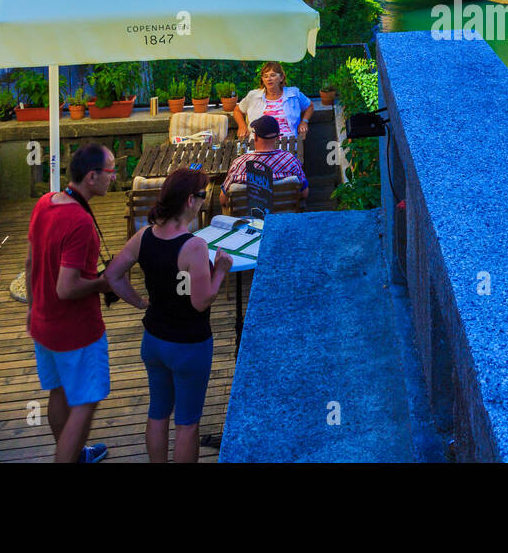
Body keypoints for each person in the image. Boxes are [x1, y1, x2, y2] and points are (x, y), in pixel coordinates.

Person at [105, 168, 231, 463]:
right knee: (187, 423)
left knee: (158, 413)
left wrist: (139, 302)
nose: (205, 200)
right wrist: (220, 271)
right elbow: (200, 302)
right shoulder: (194, 246)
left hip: (153, 340)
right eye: (203, 195)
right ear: (189, 200)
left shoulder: (144, 236)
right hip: (188, 344)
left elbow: (112, 275)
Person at [25, 143, 115, 463]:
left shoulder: (45, 203)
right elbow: (67, 288)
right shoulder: (80, 222)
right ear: (91, 176)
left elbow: (30, 262)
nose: (114, 177)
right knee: (86, 403)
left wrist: (31, 308)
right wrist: (103, 283)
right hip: (76, 331)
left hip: (43, 324)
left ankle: (74, 455)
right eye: (110, 170)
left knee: (59, 391)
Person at [221, 114, 309, 212]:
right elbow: (304, 193)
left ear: (255, 136)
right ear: (277, 137)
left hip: (249, 219)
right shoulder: (290, 161)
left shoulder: (239, 164)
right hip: (284, 217)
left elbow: (223, 200)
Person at [232, 61, 313, 148]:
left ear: (281, 77)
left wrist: (304, 122)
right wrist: (242, 126)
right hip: (259, 143)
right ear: (262, 79)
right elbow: (237, 110)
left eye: (273, 75)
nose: (269, 79)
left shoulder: (293, 94)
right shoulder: (253, 96)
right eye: (265, 76)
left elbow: (310, 106)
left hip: (288, 143)